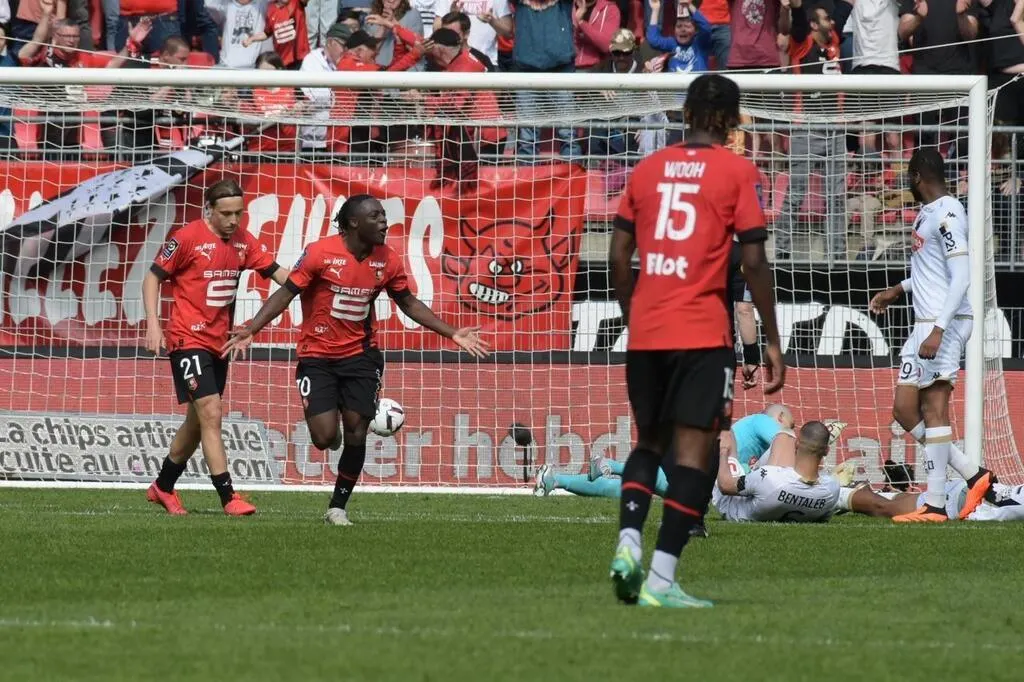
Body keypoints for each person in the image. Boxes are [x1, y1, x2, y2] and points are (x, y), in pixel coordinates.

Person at [607, 73, 785, 608]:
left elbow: (618, 256)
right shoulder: (737, 171)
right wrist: (771, 340)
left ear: (684, 114)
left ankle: (627, 544)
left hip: (648, 329)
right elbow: (754, 263)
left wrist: (633, 313)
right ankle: (660, 581)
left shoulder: (647, 168)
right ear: (731, 123)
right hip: (703, 333)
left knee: (648, 443)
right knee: (694, 454)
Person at [221, 195, 490, 526]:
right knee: (323, 438)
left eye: (383, 216)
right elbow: (286, 292)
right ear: (353, 223)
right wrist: (252, 328)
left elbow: (408, 302)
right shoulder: (320, 253)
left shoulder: (388, 259)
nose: (383, 222)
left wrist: (452, 333)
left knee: (357, 431)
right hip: (317, 356)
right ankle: (330, 426)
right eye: (375, 216)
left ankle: (338, 507)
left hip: (361, 356)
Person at [142, 180, 292, 516]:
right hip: (187, 339)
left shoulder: (243, 241)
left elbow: (279, 274)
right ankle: (228, 496)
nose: (233, 220)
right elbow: (152, 278)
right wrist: (153, 322)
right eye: (226, 213)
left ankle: (163, 486)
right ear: (208, 209)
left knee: (197, 424)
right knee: (211, 411)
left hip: (219, 343)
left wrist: (312, 283)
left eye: (239, 213)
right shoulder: (186, 238)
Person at [869, 149, 997, 522]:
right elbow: (932, 270)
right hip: (925, 322)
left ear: (916, 177)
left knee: (934, 409)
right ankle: (973, 473)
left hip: (944, 322)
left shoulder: (948, 214)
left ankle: (936, 503)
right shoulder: (928, 213)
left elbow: (961, 276)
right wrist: (898, 289)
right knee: (904, 409)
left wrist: (939, 329)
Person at [532, 406, 794, 498]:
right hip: (701, 476)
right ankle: (608, 464)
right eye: (790, 424)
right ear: (781, 417)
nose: (791, 431)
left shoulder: (753, 437)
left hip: (704, 474)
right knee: (654, 482)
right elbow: (783, 442)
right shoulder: (765, 422)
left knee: (623, 490)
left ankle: (555, 479)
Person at [713, 421, 840, 523]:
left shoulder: (769, 476)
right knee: (785, 436)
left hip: (731, 504)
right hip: (775, 493)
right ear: (827, 451)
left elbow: (725, 485)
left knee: (726, 432)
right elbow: (823, 518)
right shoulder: (832, 488)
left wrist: (723, 451)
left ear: (797, 444)